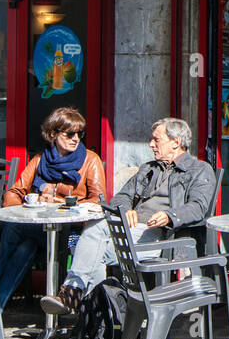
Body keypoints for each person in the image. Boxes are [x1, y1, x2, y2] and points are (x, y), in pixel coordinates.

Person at [42, 117, 216, 314]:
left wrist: (169, 215)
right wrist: (126, 210)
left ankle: (91, 311)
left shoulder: (199, 169)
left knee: (94, 253)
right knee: (95, 225)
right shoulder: (149, 168)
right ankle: (94, 311)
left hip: (162, 234)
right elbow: (121, 196)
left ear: (175, 142)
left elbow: (198, 207)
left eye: (156, 140)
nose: (151, 144)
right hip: (131, 230)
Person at [0, 107, 105, 326]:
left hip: (70, 233)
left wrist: (64, 204)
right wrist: (28, 206)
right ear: (53, 134)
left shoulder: (90, 160)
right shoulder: (40, 159)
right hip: (39, 230)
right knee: (24, 245)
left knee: (15, 232)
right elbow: (13, 193)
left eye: (79, 134)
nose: (76, 139)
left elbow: (99, 201)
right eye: (69, 134)